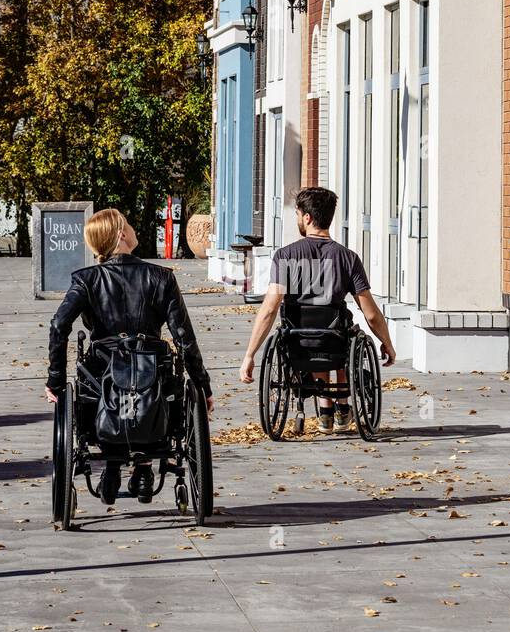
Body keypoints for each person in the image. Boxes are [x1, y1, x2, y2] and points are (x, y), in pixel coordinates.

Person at [46, 208, 213, 504]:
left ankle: (112, 461)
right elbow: (184, 337)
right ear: (122, 234)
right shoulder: (161, 278)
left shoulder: (86, 279)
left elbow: (59, 325)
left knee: (98, 383)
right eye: (130, 225)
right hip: (151, 369)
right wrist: (202, 384)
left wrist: (55, 380)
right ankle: (145, 465)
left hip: (102, 373)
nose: (135, 229)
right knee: (158, 380)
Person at [239, 187, 395, 433]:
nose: (298, 219)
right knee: (344, 334)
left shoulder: (285, 256)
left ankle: (325, 412)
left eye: (298, 214)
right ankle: (343, 408)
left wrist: (250, 354)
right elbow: (371, 312)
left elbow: (269, 309)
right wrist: (386, 342)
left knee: (317, 335)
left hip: (297, 342)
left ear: (308, 218)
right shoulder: (348, 258)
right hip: (334, 342)